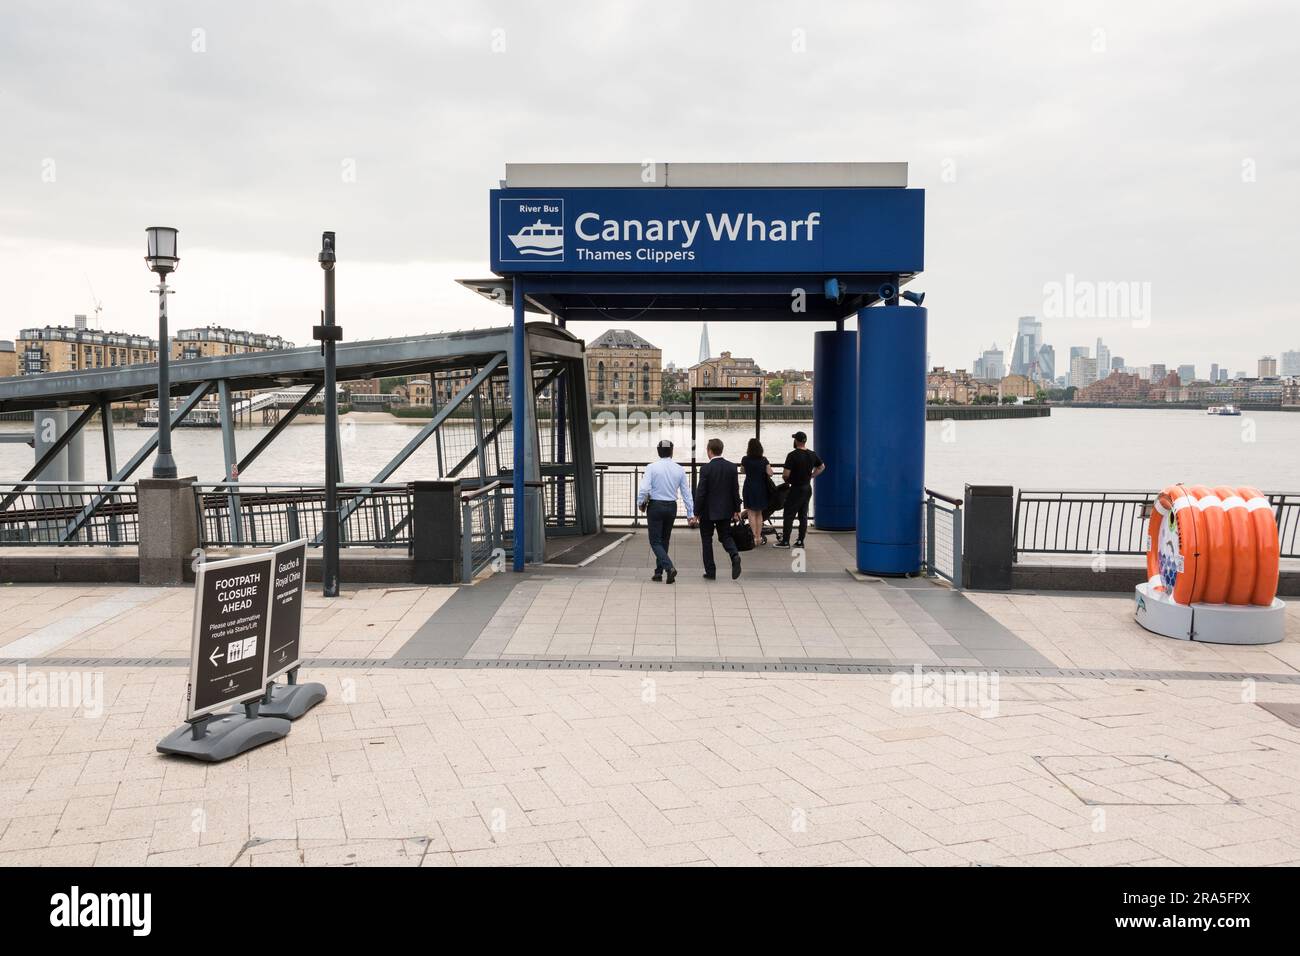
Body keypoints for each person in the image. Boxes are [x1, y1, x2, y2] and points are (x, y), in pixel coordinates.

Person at [636, 438, 696, 584]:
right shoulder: (679, 469)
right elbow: (686, 493)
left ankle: (669, 568)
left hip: (655, 506)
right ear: (672, 451)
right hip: (671, 507)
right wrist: (690, 514)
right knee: (664, 540)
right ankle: (658, 572)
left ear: (658, 451)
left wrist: (640, 502)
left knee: (655, 541)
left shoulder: (651, 467)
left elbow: (644, 489)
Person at [694, 437, 742, 580]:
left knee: (707, 540)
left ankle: (710, 572)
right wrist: (737, 509)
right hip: (726, 510)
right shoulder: (732, 467)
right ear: (721, 450)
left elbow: (701, 492)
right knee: (725, 536)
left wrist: (696, 512)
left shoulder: (705, 469)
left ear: (709, 451)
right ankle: (734, 555)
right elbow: (735, 490)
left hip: (708, 511)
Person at [776, 430, 824, 549]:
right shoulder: (812, 454)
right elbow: (822, 466)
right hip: (807, 488)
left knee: (789, 514)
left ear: (796, 441)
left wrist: (787, 480)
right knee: (803, 515)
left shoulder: (792, 455)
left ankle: (785, 541)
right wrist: (812, 475)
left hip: (796, 488)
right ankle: (800, 541)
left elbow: (786, 474)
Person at [740, 437, 774, 547]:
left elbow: (742, 471)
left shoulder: (745, 459)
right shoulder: (764, 460)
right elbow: (770, 473)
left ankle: (753, 537)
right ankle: (759, 537)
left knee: (750, 512)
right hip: (761, 488)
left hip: (749, 487)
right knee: (759, 513)